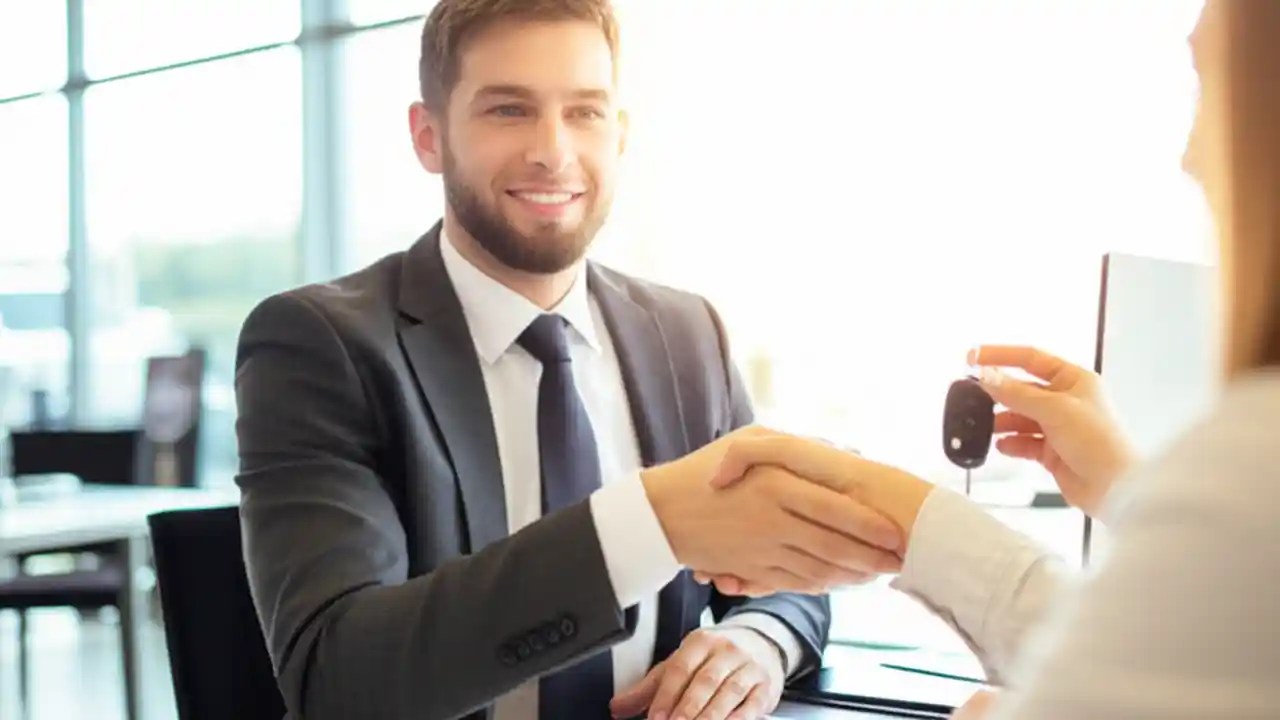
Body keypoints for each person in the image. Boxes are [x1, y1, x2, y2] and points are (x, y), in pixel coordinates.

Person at [233, 2, 904, 719]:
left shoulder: (684, 332)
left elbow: (782, 573)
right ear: (429, 137)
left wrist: (758, 641)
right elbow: (341, 680)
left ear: (619, 134)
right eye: (508, 110)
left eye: (584, 113)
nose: (554, 151)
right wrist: (651, 525)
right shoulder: (319, 344)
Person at [696, 1, 1280, 717]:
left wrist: (905, 515)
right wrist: (1132, 496)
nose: (1188, 159)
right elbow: (1200, 636)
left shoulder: (1257, 460)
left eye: (1206, 86)